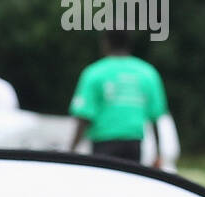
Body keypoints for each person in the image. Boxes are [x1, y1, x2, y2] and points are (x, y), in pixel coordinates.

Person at [69, 32, 169, 165]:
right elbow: (155, 117)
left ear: (105, 42)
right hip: (134, 144)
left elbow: (84, 117)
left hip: (103, 144)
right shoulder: (147, 73)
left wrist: (72, 150)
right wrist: (158, 153)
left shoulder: (94, 73)